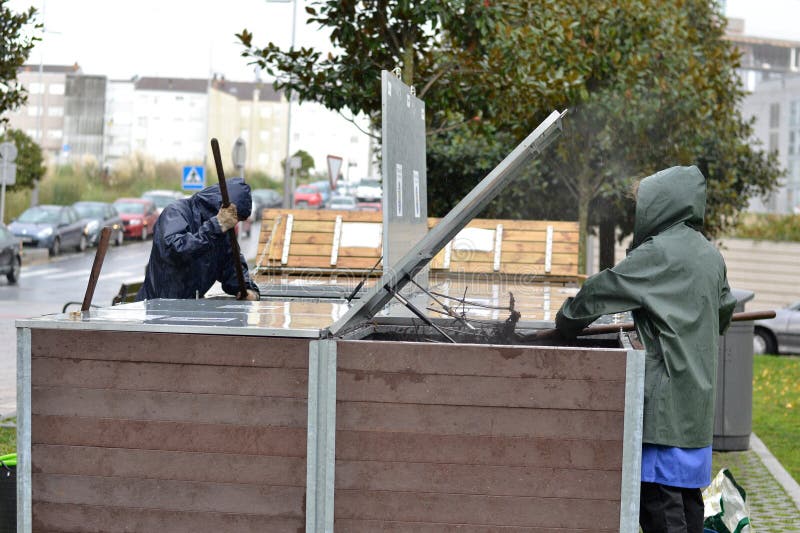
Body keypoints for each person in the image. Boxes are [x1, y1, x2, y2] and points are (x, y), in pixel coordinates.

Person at [555, 165, 737, 533]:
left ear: (661, 205)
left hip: (664, 413)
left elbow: (601, 290)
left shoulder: (657, 253)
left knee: (661, 512)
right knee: (689, 507)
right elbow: (724, 312)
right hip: (697, 407)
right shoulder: (710, 255)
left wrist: (565, 322)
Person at [135, 177, 261, 301]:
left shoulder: (222, 233)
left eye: (237, 219)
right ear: (219, 206)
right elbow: (175, 249)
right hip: (157, 306)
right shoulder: (176, 212)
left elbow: (232, 266)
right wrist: (215, 226)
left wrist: (247, 288)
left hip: (190, 308)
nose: (234, 222)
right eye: (233, 216)